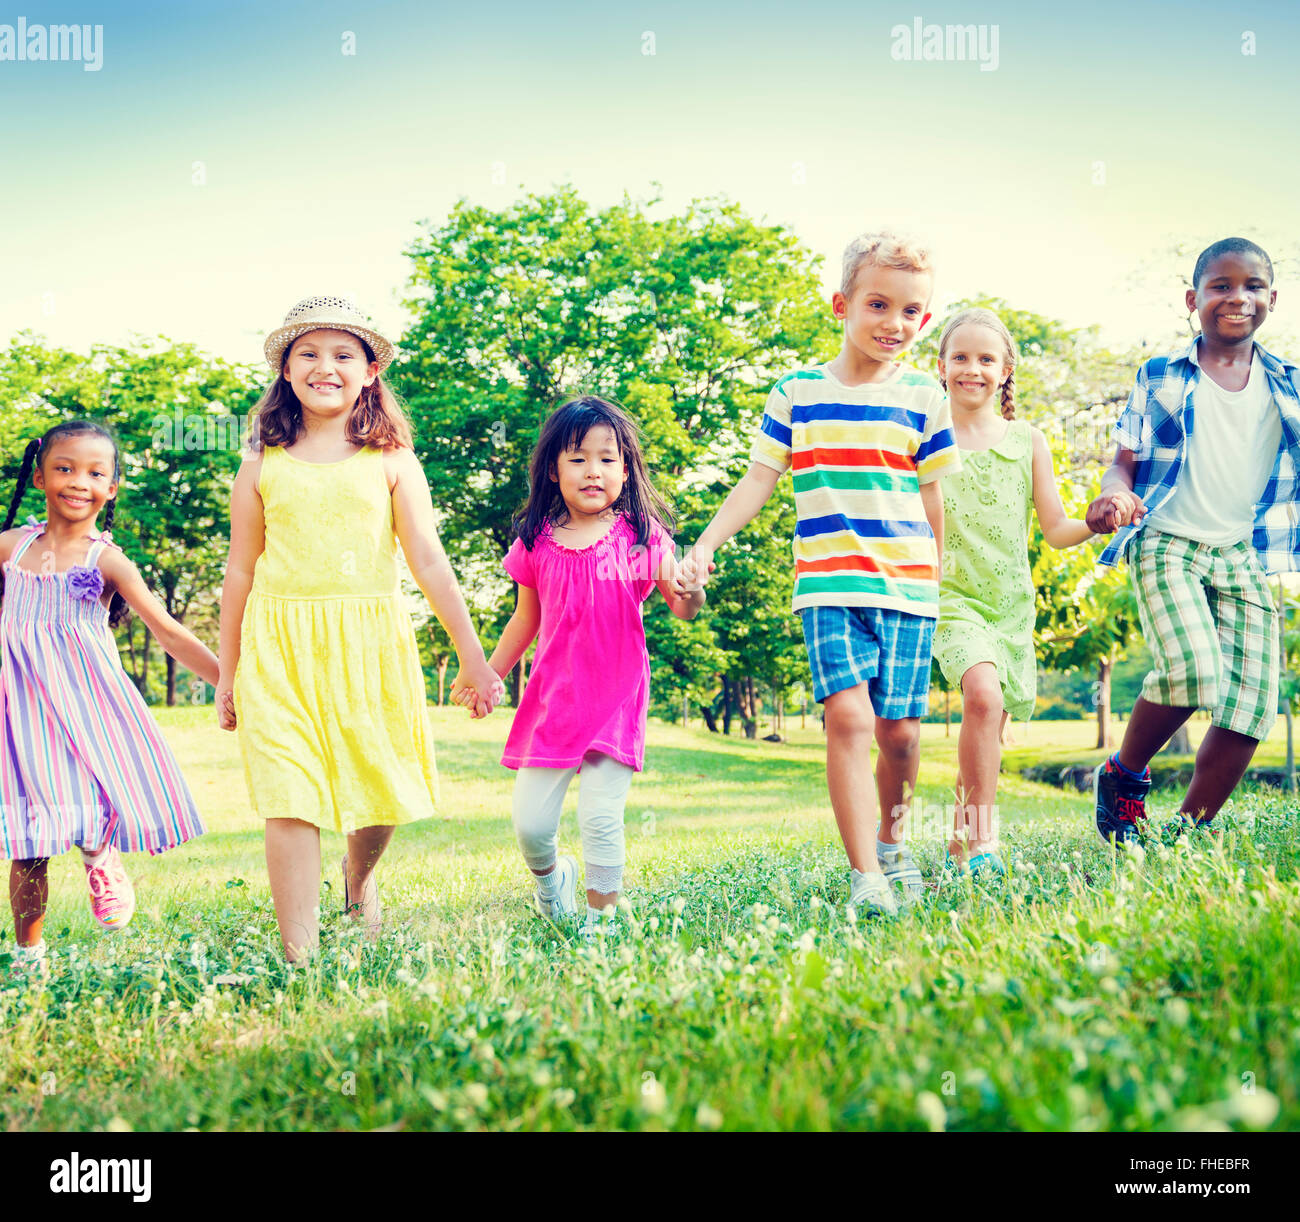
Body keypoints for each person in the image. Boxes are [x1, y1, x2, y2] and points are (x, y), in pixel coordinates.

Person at [680, 232, 961, 917]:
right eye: (878, 305)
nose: (895, 324)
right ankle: (866, 874)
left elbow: (933, 499)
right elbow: (758, 479)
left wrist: (946, 574)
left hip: (909, 588)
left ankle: (894, 843)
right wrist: (705, 543)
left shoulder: (927, 396)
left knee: (900, 734)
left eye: (911, 312)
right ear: (842, 304)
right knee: (849, 720)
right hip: (830, 587)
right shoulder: (796, 392)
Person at [219, 296, 502, 961]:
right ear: (286, 372)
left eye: (343, 355)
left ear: (370, 370)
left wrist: (473, 658)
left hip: (369, 638)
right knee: (288, 793)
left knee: (380, 788)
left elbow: (428, 559)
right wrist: (228, 672)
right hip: (279, 644)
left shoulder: (393, 458)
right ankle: (301, 959)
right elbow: (238, 570)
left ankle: (358, 876)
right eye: (308, 354)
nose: (326, 367)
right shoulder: (263, 458)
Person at [1087, 238, 1300, 845]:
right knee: (1191, 670)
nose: (1238, 298)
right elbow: (1122, 461)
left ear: (1272, 299)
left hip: (1239, 553)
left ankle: (1187, 836)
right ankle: (1124, 777)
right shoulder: (1162, 376)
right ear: (1193, 299)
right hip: (1167, 542)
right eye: (1222, 286)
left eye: (1253, 286)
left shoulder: (1288, 384)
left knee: (1253, 703)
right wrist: (1114, 495)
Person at [475, 396, 704, 936]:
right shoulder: (535, 540)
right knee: (530, 826)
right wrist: (489, 674)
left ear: (626, 470)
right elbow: (523, 621)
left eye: (607, 458)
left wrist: (691, 588)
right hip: (553, 702)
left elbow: (682, 605)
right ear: (554, 471)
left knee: (600, 817)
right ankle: (553, 882)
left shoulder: (641, 535)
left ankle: (602, 923)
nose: (593, 470)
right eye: (577, 458)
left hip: (616, 699)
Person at [1, 421, 216, 974]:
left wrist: (228, 680)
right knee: (29, 839)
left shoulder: (107, 561)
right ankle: (29, 957)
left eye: (96, 473)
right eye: (65, 468)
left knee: (86, 799)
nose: (79, 482)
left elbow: (166, 630)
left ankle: (99, 852)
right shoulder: (9, 547)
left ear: (113, 487)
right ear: (41, 475)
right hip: (18, 708)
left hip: (85, 706)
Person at [932, 308, 1093, 874]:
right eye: (960, 357)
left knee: (987, 731)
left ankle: (957, 847)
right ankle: (983, 844)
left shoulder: (1028, 441)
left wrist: (1096, 522)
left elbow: (1056, 530)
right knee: (983, 697)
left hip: (1008, 607)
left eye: (985, 359)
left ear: (1004, 372)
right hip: (948, 599)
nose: (971, 368)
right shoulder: (922, 438)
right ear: (941, 366)